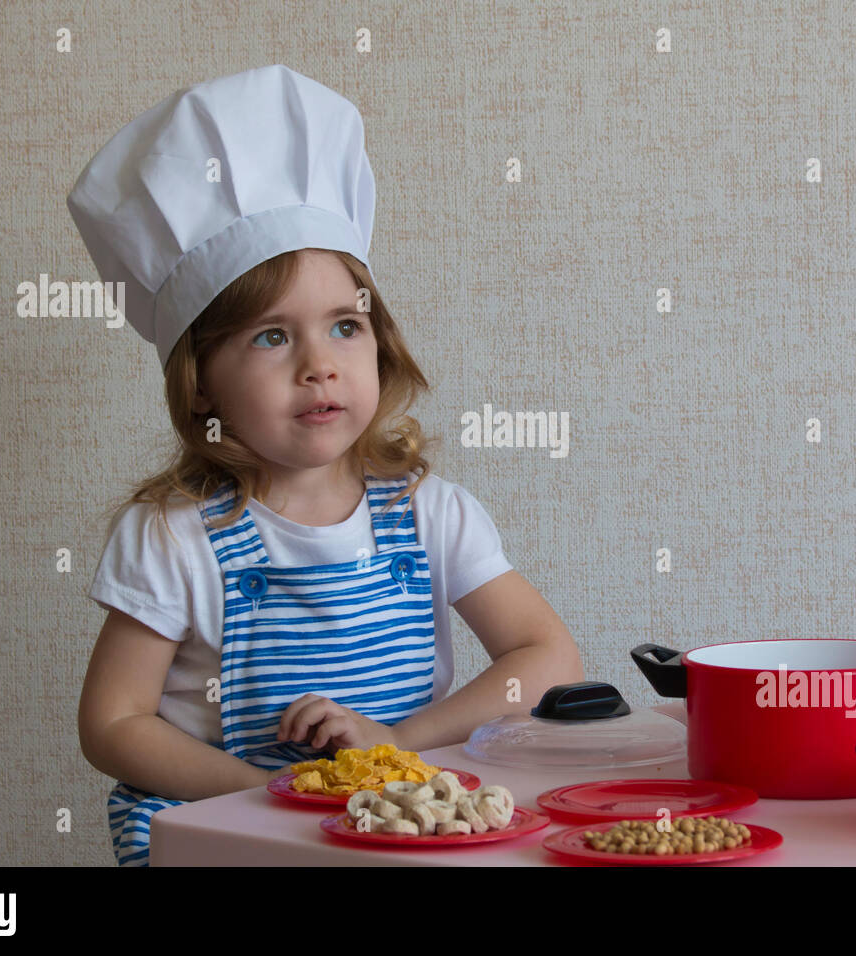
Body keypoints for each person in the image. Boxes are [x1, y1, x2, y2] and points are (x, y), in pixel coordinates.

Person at [67, 65, 584, 866]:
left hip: (388, 820)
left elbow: (546, 658)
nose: (320, 365)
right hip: (227, 827)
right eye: (272, 337)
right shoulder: (171, 537)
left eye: (345, 326)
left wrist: (393, 745)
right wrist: (260, 794)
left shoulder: (428, 512)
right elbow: (112, 723)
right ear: (201, 377)